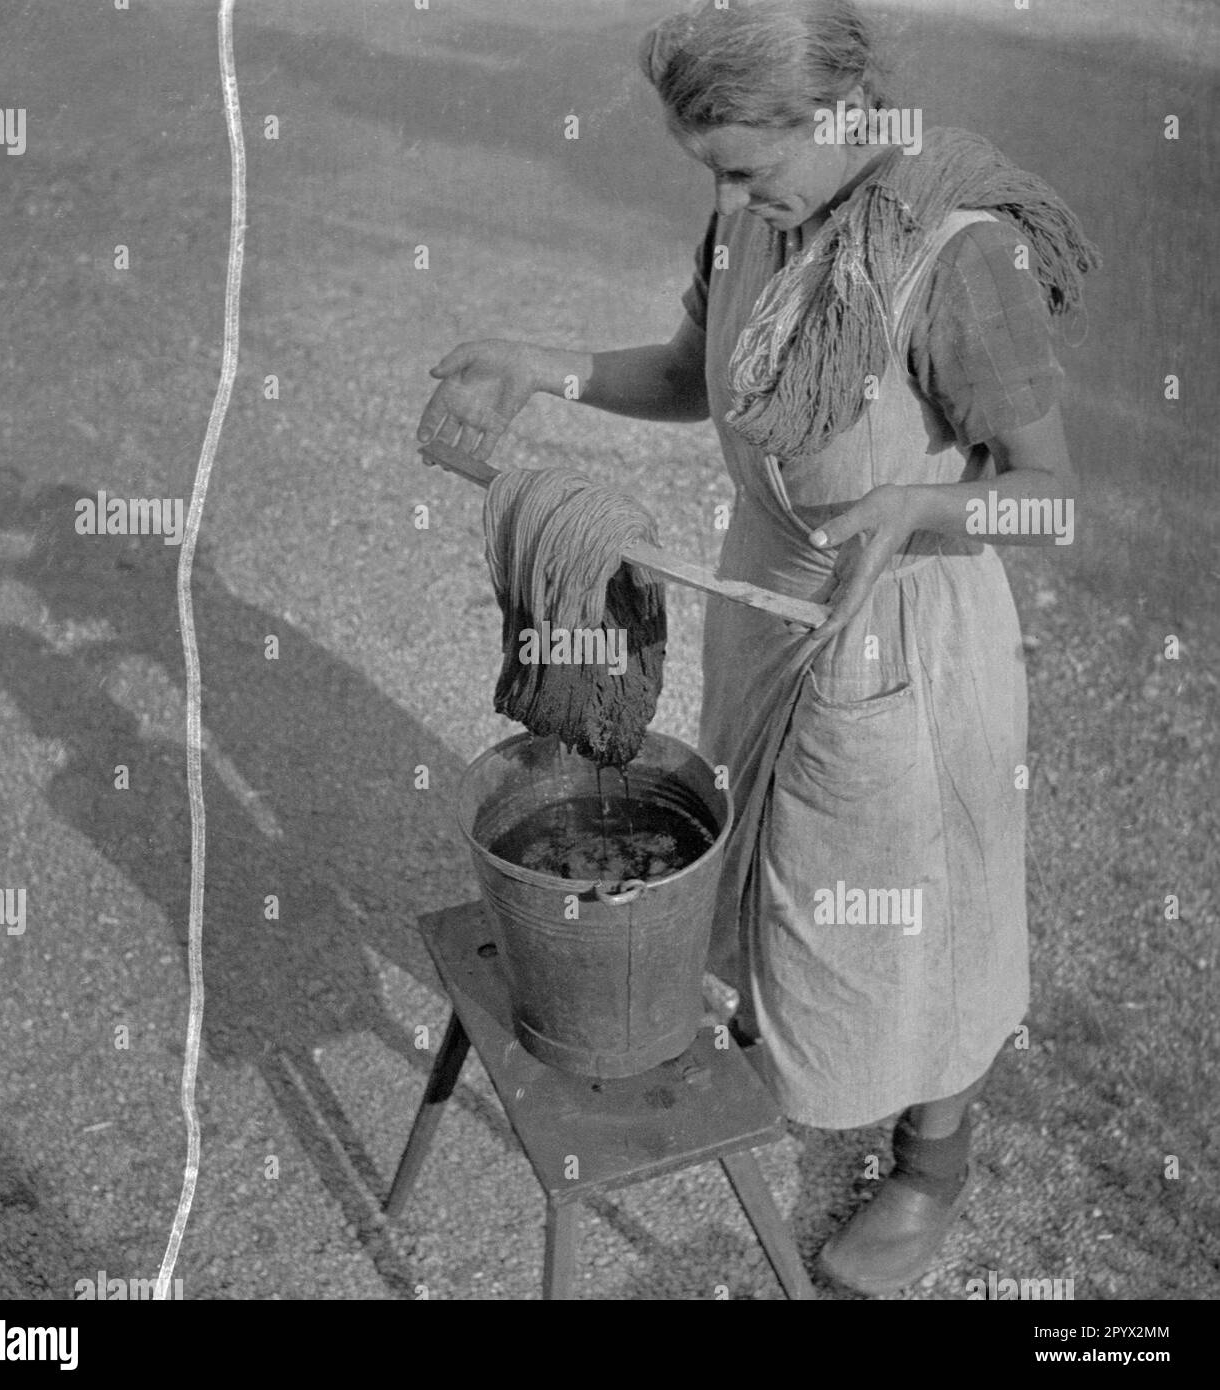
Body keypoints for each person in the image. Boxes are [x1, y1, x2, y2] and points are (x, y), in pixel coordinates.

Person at [417, 0, 1098, 1297]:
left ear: (836, 115)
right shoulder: (754, 216)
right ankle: (800, 1059)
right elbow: (697, 370)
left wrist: (918, 506)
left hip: (904, 630)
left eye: (741, 163)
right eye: (713, 172)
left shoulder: (957, 252)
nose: (727, 195)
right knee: (787, 879)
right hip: (768, 606)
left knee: (922, 925)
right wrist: (537, 364)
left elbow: (1056, 496)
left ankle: (928, 1163)